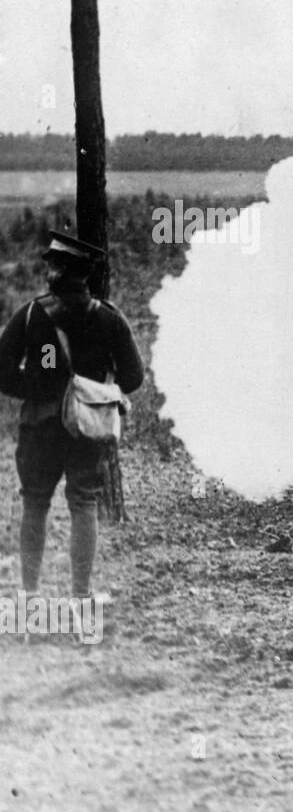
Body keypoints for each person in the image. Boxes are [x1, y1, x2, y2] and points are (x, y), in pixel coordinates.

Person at [0, 230, 144, 600]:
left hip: (39, 428)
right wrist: (99, 387)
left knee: (35, 504)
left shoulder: (32, 314)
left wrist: (35, 388)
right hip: (88, 429)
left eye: (53, 263)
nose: (48, 269)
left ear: (61, 271)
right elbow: (133, 377)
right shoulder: (111, 319)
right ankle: (81, 600)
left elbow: (2, 371)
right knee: (84, 505)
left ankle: (30, 601)